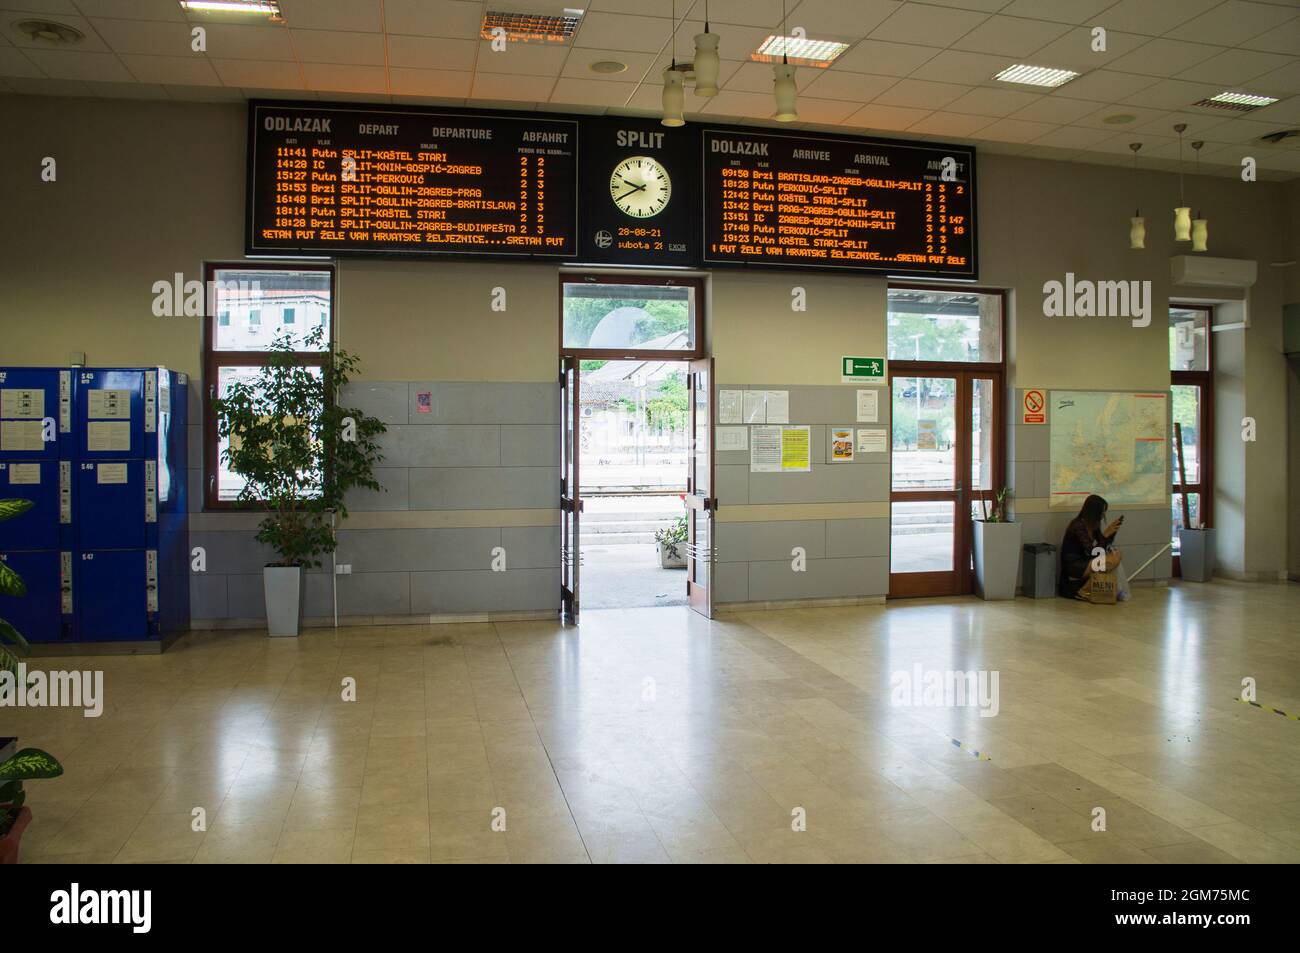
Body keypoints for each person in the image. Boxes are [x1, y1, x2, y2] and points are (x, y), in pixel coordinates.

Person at [1058, 494, 1130, 602]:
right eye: (1102, 512)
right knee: (1111, 560)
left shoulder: (1093, 525)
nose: (1103, 515)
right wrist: (1105, 534)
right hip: (1075, 564)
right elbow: (1093, 552)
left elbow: (1102, 547)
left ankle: (1091, 588)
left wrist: (1112, 533)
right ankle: (1083, 591)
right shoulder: (1078, 526)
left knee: (1116, 555)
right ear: (1094, 512)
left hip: (1086, 561)